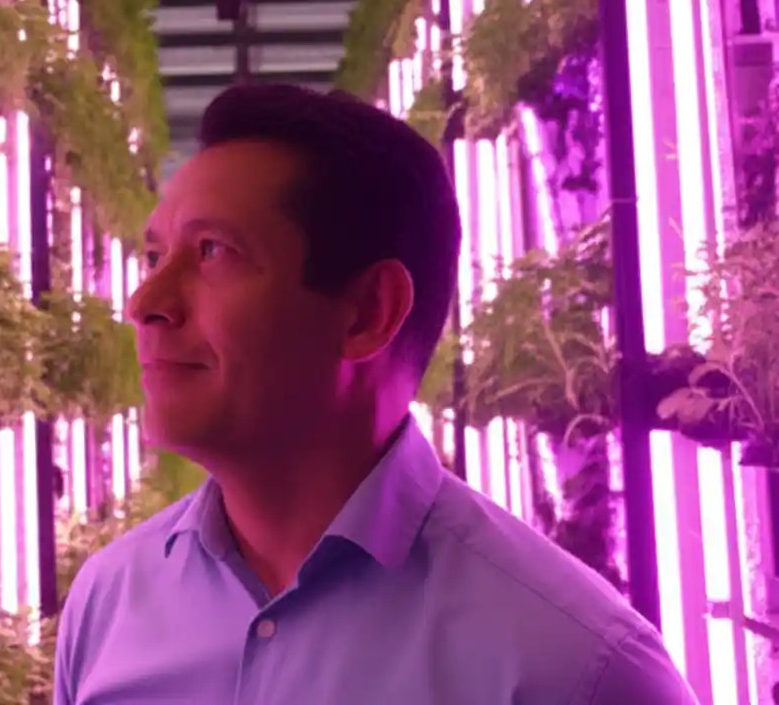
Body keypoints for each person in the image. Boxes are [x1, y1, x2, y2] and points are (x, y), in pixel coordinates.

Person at [53, 83, 697, 704]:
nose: (145, 303)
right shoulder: (109, 603)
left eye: (213, 251)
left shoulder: (577, 670)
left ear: (368, 313)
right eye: (154, 257)